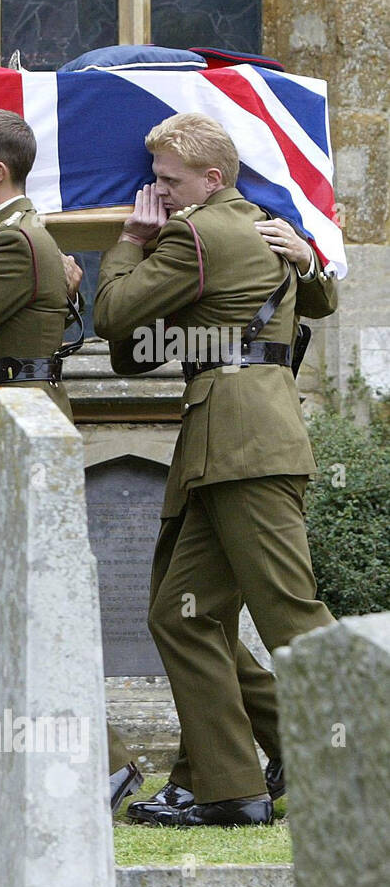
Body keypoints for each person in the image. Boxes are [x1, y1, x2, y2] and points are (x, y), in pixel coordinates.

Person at [96, 113, 337, 827]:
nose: (156, 193)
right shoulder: (261, 227)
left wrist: (127, 242)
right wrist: (311, 258)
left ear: (213, 178)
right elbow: (319, 298)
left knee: (289, 610)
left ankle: (362, 747)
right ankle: (233, 785)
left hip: (244, 445)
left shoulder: (194, 233)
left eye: (168, 181)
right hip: (225, 442)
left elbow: (113, 314)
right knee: (182, 614)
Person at [0, 107, 142, 809]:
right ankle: (84, 761)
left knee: (32, 607)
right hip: (3, 422)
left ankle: (107, 765)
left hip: (16, 429)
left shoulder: (12, 243)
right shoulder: (8, 239)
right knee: (6, 606)